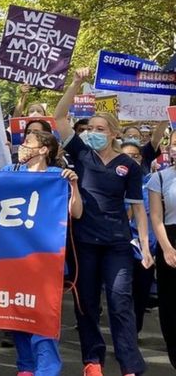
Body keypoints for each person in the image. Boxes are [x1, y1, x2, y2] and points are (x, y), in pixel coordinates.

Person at [53, 67, 151, 376]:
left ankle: (130, 365)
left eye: (99, 128)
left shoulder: (129, 166)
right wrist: (77, 82)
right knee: (87, 305)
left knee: (121, 303)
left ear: (113, 133)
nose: (91, 132)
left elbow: (137, 209)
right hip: (85, 244)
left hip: (118, 245)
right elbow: (58, 117)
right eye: (89, 127)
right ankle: (92, 361)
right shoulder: (81, 154)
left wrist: (145, 247)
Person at [1, 130, 82, 376]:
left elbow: (77, 213)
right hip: (14, 257)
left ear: (44, 149)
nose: (22, 147)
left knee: (43, 315)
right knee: (18, 312)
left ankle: (47, 369)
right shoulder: (10, 171)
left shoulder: (58, 177)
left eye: (28, 143)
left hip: (47, 260)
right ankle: (25, 366)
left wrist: (74, 185)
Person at [120, 141, 158, 338]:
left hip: (144, 249)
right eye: (127, 155)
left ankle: (133, 331)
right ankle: (124, 333)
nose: (131, 160)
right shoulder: (112, 181)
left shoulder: (150, 182)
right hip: (118, 248)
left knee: (140, 294)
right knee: (120, 293)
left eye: (136, 156)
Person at [146, 130, 176, 370]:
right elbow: (156, 217)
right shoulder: (160, 178)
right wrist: (166, 248)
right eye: (175, 144)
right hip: (170, 240)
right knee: (171, 305)